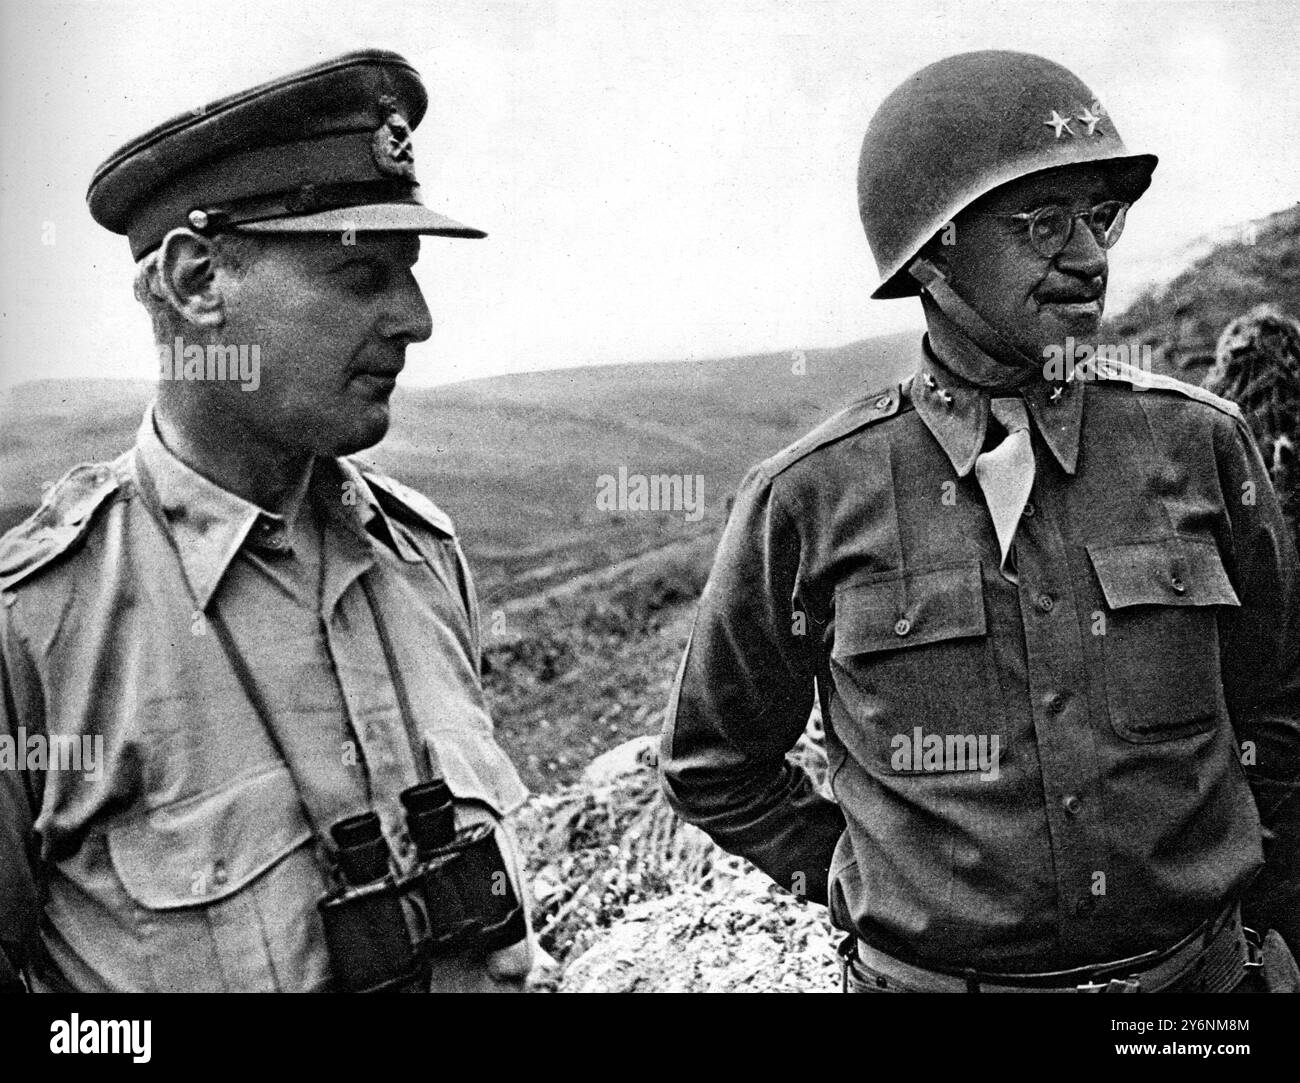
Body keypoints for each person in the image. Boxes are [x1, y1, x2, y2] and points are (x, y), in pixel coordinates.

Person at [660, 50, 1300, 993]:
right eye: (1042, 223)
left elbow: (1280, 713)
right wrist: (862, 879)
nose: (1089, 259)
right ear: (931, 252)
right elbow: (713, 761)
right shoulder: (808, 495)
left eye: (1102, 218)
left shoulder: (1202, 445)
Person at [0, 49, 537, 992]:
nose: (416, 319)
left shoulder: (424, 556)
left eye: (409, 272)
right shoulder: (36, 633)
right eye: (364, 273)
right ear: (199, 279)